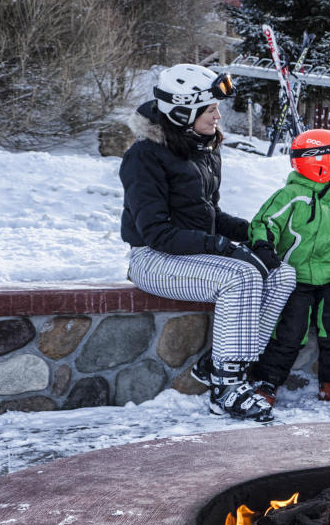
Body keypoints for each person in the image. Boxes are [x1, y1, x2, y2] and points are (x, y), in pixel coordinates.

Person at [120, 64, 295, 422]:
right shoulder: (144, 156)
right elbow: (156, 233)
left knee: (282, 276)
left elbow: (209, 214)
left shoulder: (202, 148)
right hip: (152, 258)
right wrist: (227, 249)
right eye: (210, 110)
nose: (218, 116)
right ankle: (227, 387)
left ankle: (217, 364)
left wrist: (253, 234)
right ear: (183, 113)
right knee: (241, 275)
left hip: (189, 254)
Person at [246, 130, 330, 405]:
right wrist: (264, 247)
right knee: (288, 331)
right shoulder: (289, 197)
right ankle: (266, 381)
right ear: (319, 163)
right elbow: (263, 223)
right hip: (294, 279)